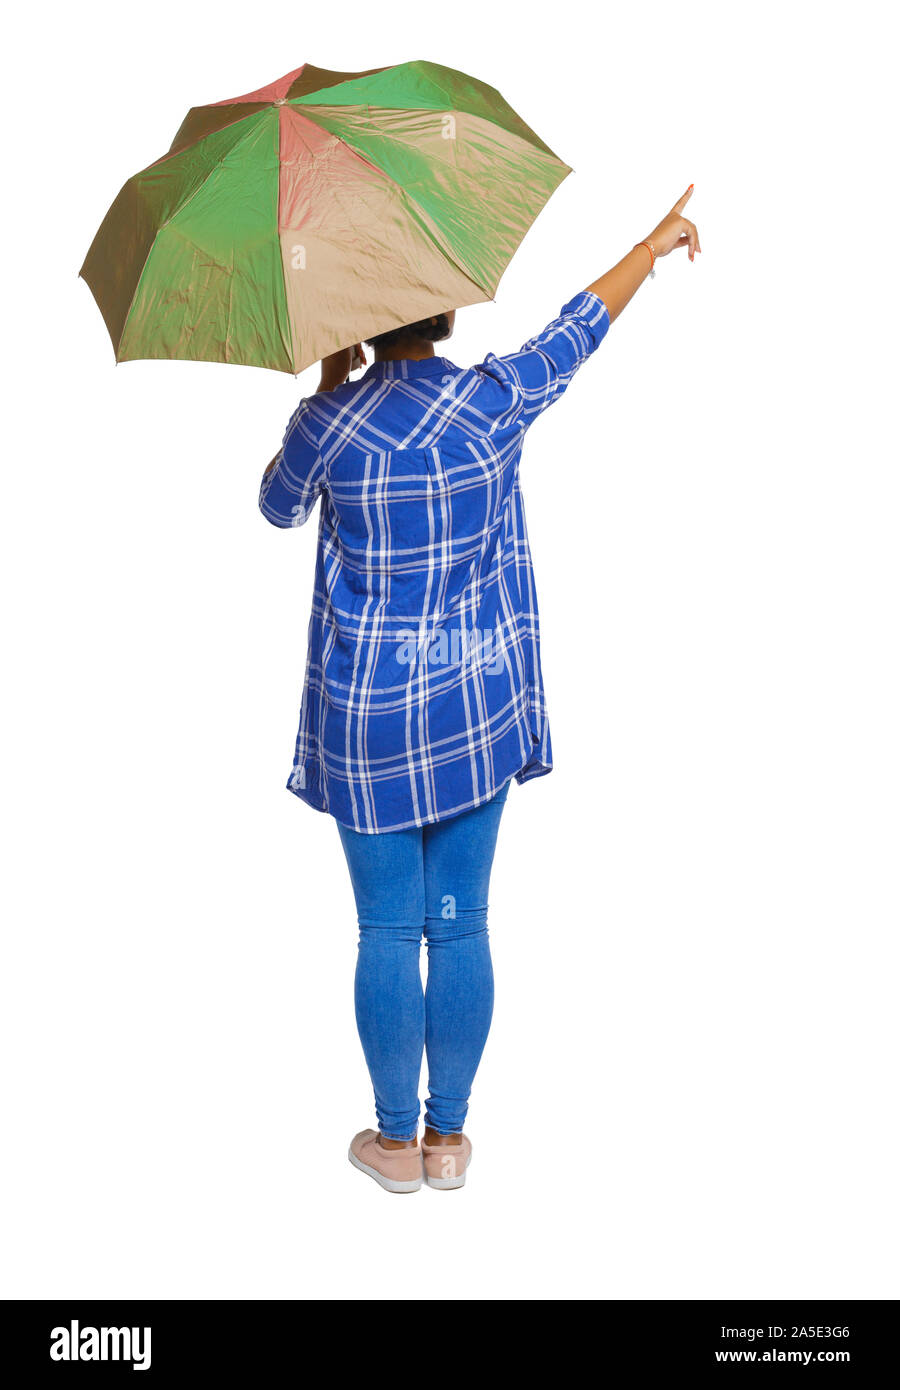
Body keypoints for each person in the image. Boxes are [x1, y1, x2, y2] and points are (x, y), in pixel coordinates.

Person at [260, 187, 701, 1192]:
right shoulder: (497, 397)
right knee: (458, 920)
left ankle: (393, 1145)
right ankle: (450, 1142)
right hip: (474, 706)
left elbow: (276, 507)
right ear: (450, 308)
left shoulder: (326, 422)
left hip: (366, 715)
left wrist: (333, 382)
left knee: (383, 927)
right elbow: (577, 329)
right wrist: (651, 241)